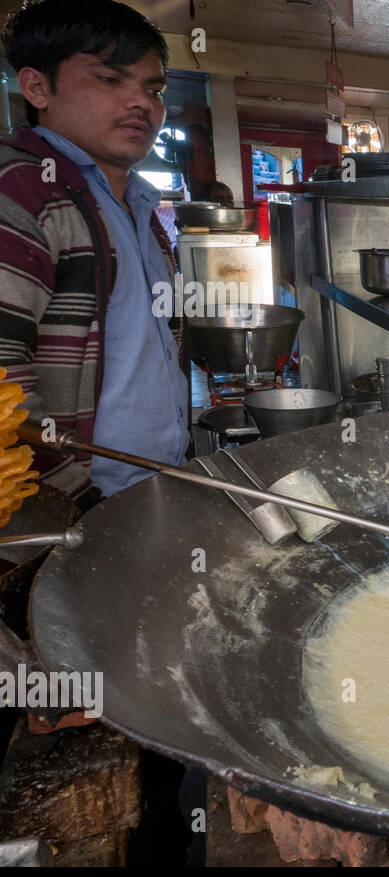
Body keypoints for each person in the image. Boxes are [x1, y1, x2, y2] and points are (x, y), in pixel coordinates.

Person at [0, 0, 188, 506]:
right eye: (109, 79)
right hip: (72, 508)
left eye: (153, 89)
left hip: (149, 488)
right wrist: (74, 501)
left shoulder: (141, 206)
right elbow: (2, 378)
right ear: (37, 87)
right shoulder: (22, 194)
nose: (141, 103)